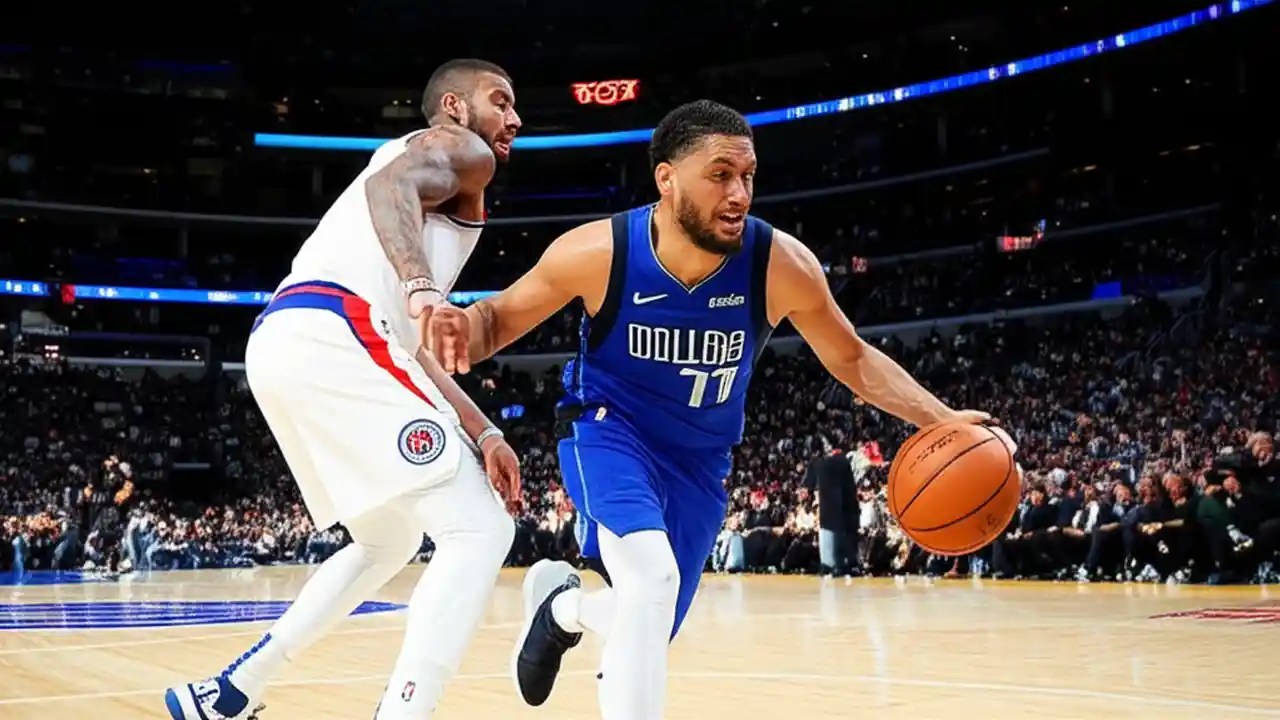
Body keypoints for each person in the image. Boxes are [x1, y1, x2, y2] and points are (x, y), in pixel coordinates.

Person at [428, 99, 996, 719]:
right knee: (650, 580)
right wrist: (455, 327)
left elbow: (853, 359)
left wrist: (942, 420)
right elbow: (492, 321)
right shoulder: (601, 251)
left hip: (700, 460)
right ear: (666, 178)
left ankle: (561, 609)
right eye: (720, 174)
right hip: (608, 430)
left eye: (748, 176)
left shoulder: (781, 264)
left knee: (645, 622)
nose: (739, 193)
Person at [164, 58, 524, 720]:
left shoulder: (425, 174)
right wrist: (421, 291)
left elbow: (410, 349)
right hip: (337, 332)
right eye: (499, 101)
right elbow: (390, 191)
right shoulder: (463, 153)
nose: (514, 119)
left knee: (389, 540)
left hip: (289, 341)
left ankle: (232, 690)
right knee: (480, 529)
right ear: (452, 107)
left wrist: (485, 430)